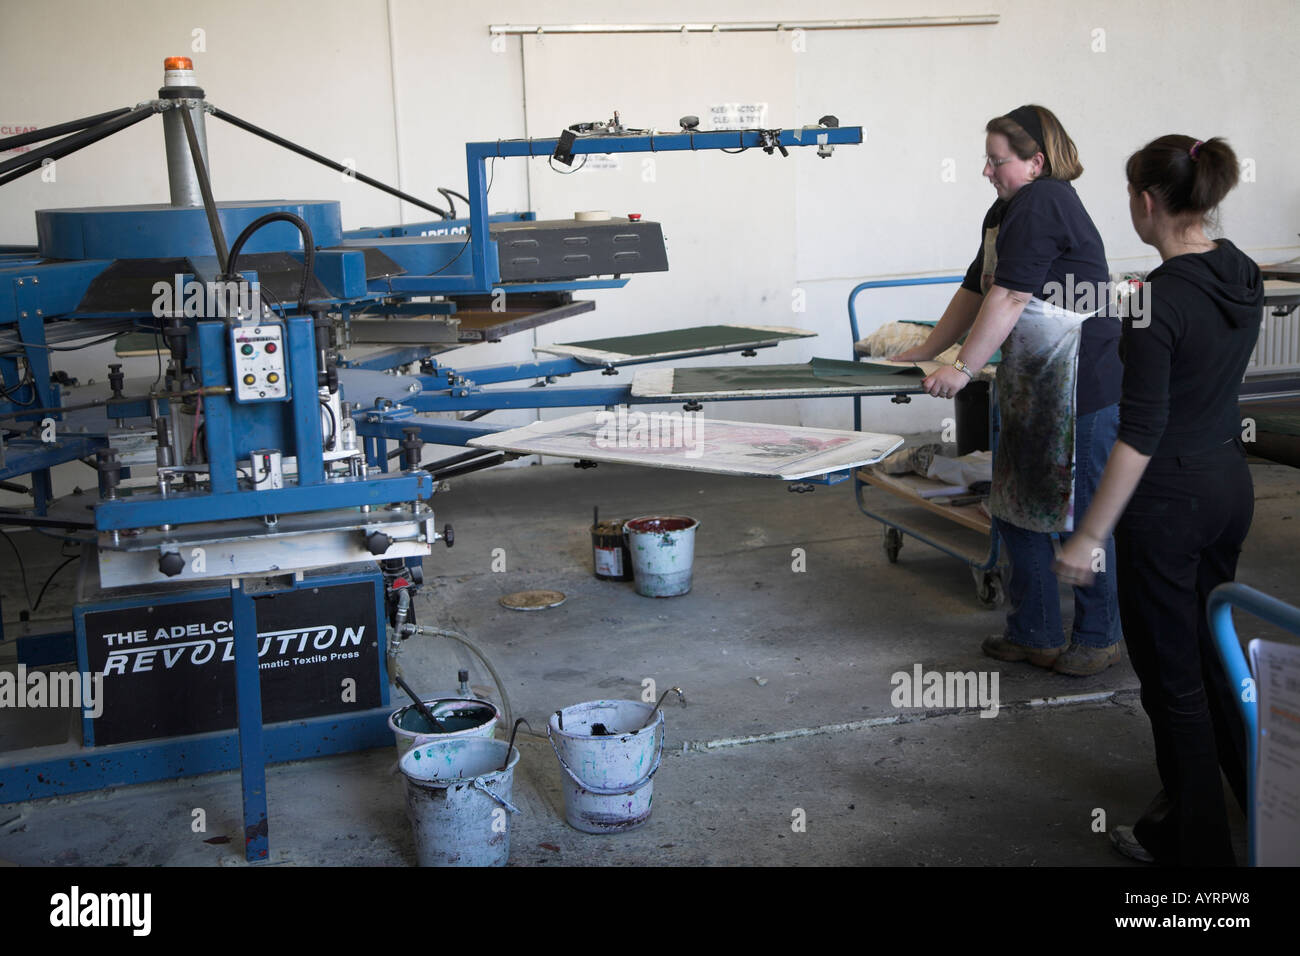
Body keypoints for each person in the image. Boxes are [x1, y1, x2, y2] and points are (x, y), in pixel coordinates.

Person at [1053, 135, 1262, 865]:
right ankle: (1258, 807)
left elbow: (1138, 437)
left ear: (1146, 203)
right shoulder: (1241, 272)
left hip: (1168, 502)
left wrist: (1088, 537)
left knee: (1173, 680)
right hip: (1229, 487)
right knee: (1216, 659)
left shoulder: (1153, 304)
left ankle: (1195, 850)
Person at [895, 105, 1123, 675]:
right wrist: (926, 349)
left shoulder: (1046, 201)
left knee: (1081, 515)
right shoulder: (1005, 208)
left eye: (997, 161)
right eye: (987, 161)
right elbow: (976, 289)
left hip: (1080, 382)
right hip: (1033, 380)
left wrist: (963, 368)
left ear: (1036, 161)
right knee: (1017, 507)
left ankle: (1097, 637)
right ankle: (1036, 632)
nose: (987, 171)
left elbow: (1012, 297)